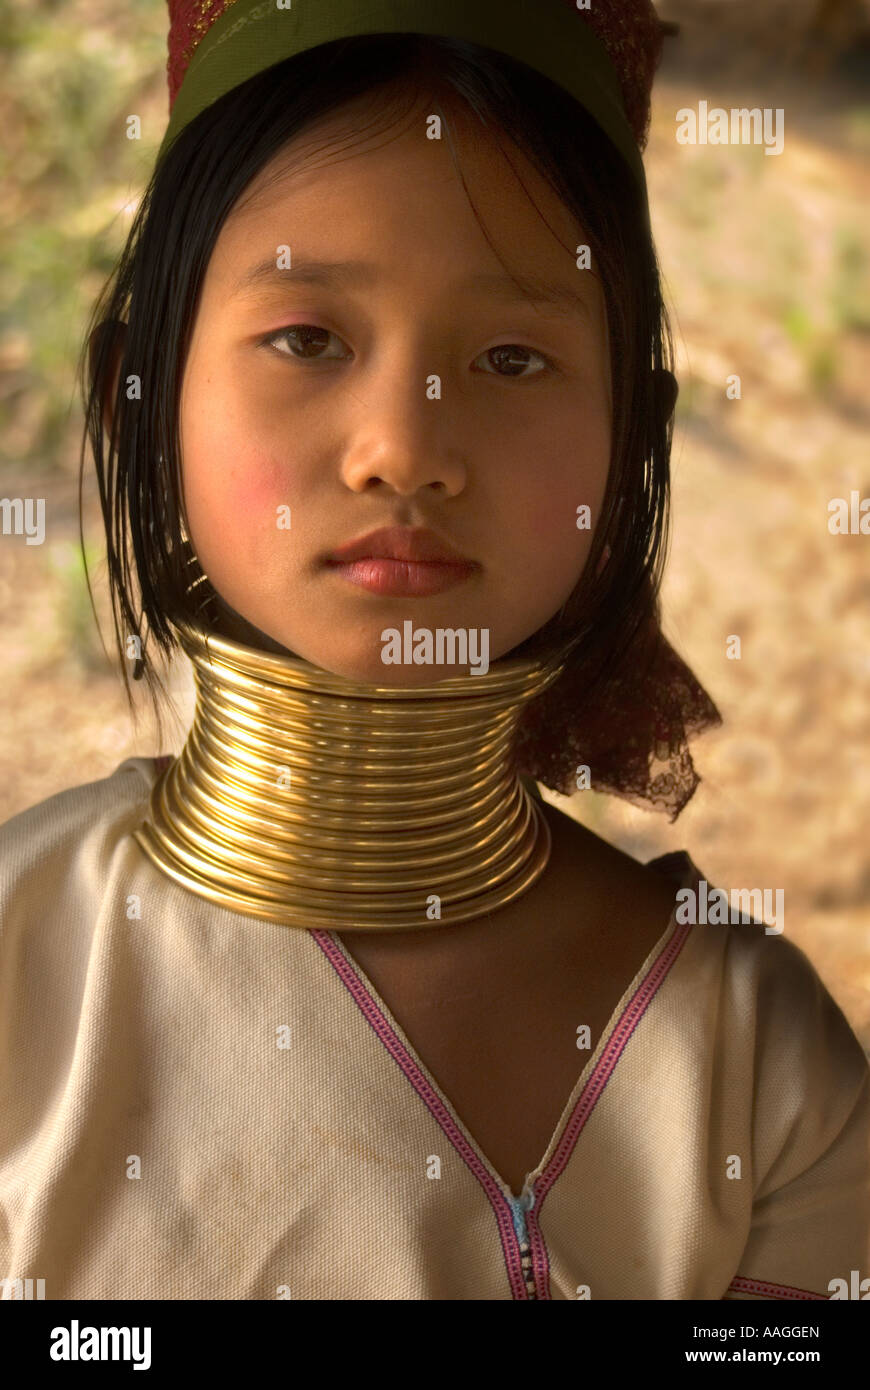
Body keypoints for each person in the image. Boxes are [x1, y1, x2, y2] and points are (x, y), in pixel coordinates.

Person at [1, 0, 867, 1302]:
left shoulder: (759, 1067)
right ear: (143, 389)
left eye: (512, 355)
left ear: (633, 432)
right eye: (307, 339)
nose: (403, 449)